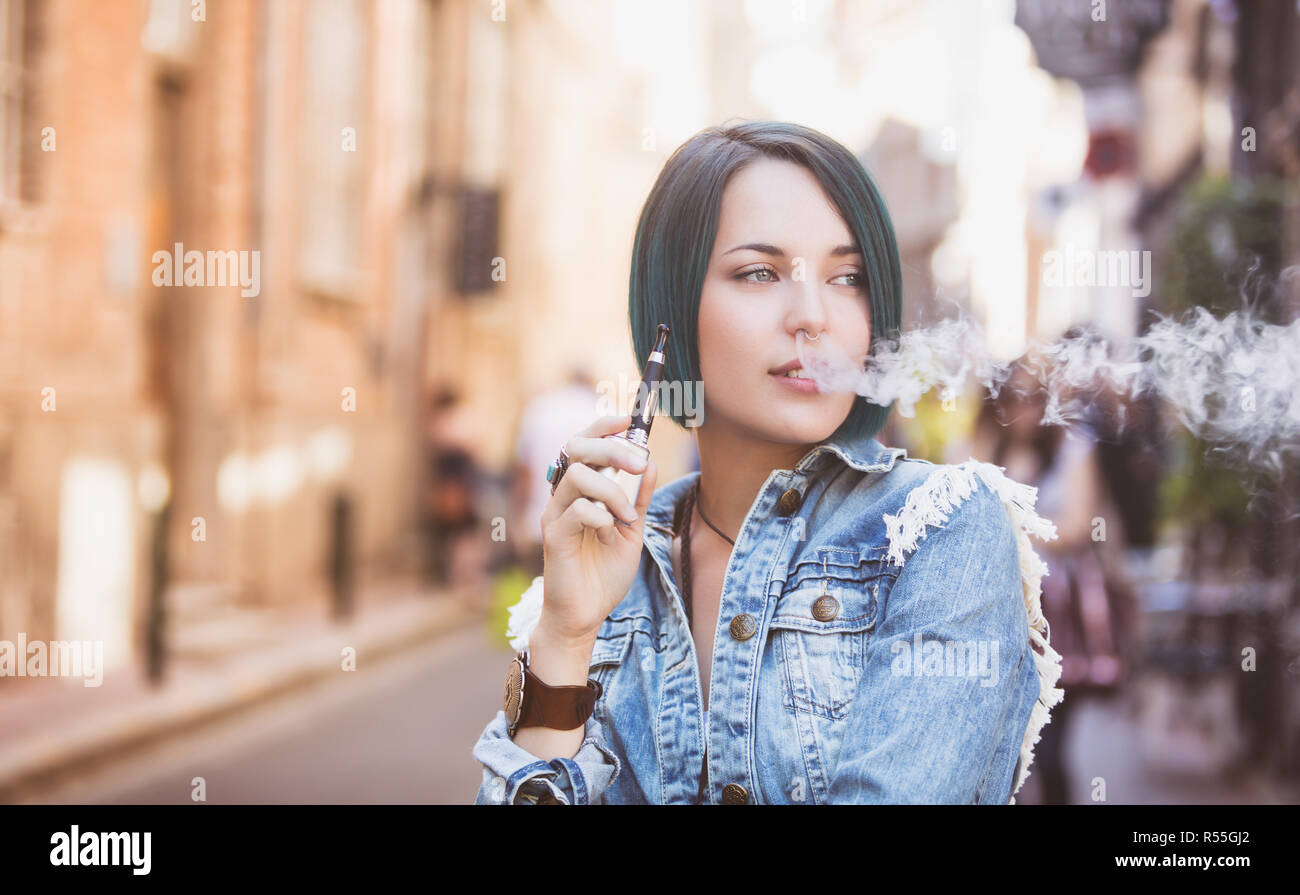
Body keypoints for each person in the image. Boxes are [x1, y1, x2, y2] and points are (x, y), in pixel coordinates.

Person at [472, 121, 1063, 804]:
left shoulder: (938, 530)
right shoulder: (612, 552)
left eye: (848, 277)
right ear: (672, 306)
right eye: (760, 272)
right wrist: (568, 635)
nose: (813, 315)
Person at [969, 360, 1138, 804]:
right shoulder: (984, 446)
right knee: (1006, 749)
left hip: (1061, 615)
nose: (1024, 409)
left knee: (1051, 748)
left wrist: (1008, 519)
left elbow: (1076, 528)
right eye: (1012, 398)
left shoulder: (1074, 448)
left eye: (1035, 397)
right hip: (997, 611)